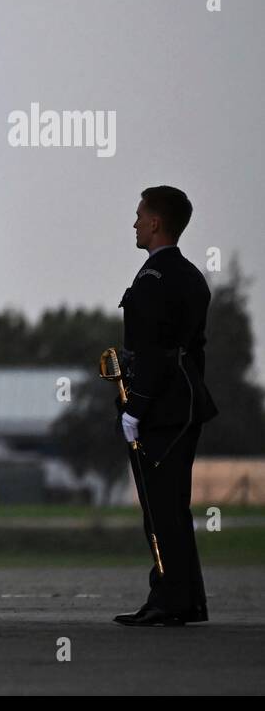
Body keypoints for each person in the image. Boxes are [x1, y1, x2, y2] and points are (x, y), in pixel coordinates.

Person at [113, 185, 217, 626]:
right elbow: (193, 351)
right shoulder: (191, 275)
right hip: (185, 401)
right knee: (175, 505)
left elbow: (154, 352)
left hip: (162, 407)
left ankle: (170, 599)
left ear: (156, 223)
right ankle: (187, 597)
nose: (135, 223)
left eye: (140, 216)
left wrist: (135, 406)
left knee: (160, 508)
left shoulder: (154, 279)